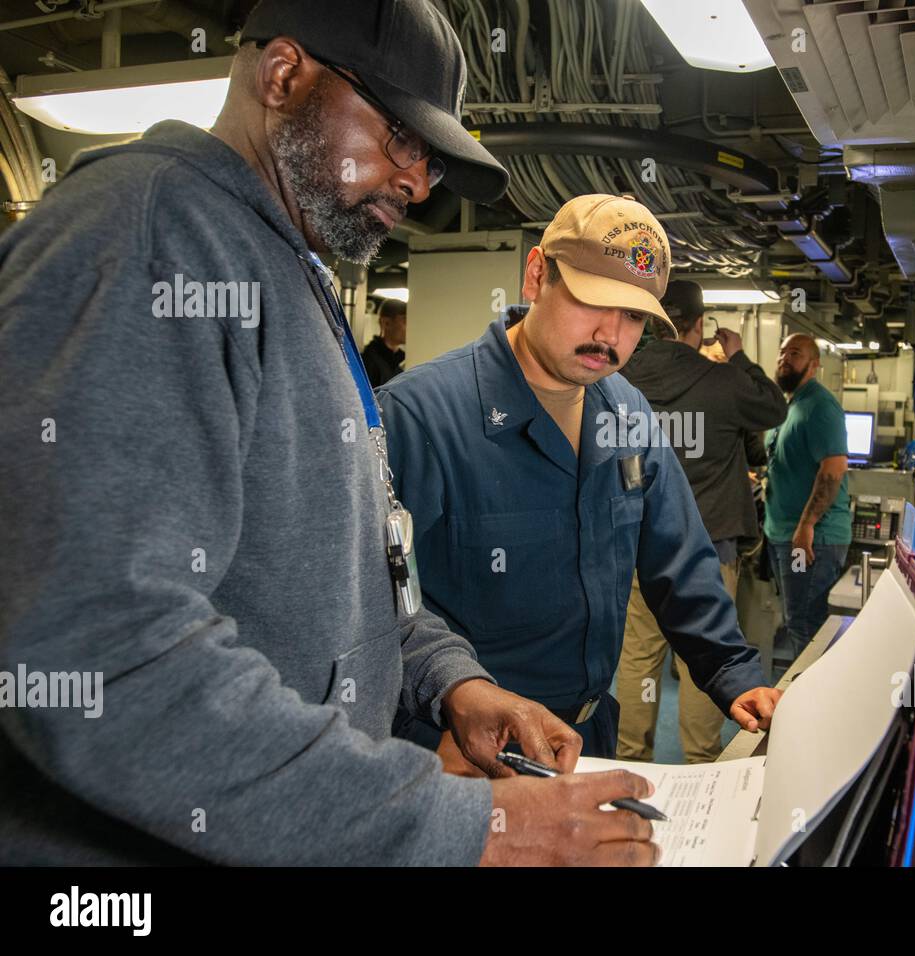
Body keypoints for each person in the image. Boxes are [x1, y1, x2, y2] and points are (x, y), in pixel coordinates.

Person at [0, 0, 659, 867]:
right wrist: (461, 827)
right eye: (401, 141)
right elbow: (104, 658)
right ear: (283, 75)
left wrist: (448, 683)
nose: (419, 185)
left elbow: (362, 569)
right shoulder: (154, 240)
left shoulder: (288, 267)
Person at [377, 194, 783, 765]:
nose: (611, 335)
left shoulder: (629, 414)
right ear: (536, 274)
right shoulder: (419, 418)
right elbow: (374, 604)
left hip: (590, 739)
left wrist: (734, 674)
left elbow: (680, 562)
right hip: (463, 754)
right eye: (593, 301)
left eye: (635, 317)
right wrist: (449, 697)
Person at [614, 280, 787, 763]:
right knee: (702, 656)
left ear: (652, 322)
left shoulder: (624, 376)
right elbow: (775, 406)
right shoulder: (722, 381)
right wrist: (737, 357)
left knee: (639, 657)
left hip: (638, 540)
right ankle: (702, 762)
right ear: (699, 325)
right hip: (710, 545)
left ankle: (629, 758)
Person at [764, 333, 851, 660]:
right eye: (782, 352)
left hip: (811, 539)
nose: (785, 358)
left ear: (814, 366)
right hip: (783, 533)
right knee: (797, 620)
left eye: (796, 354)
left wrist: (806, 526)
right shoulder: (791, 404)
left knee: (805, 624)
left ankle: (812, 705)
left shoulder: (820, 406)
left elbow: (833, 469)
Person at [362, 297, 407, 386]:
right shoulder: (369, 362)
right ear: (386, 323)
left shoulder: (397, 364)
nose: (410, 326)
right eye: (405, 320)